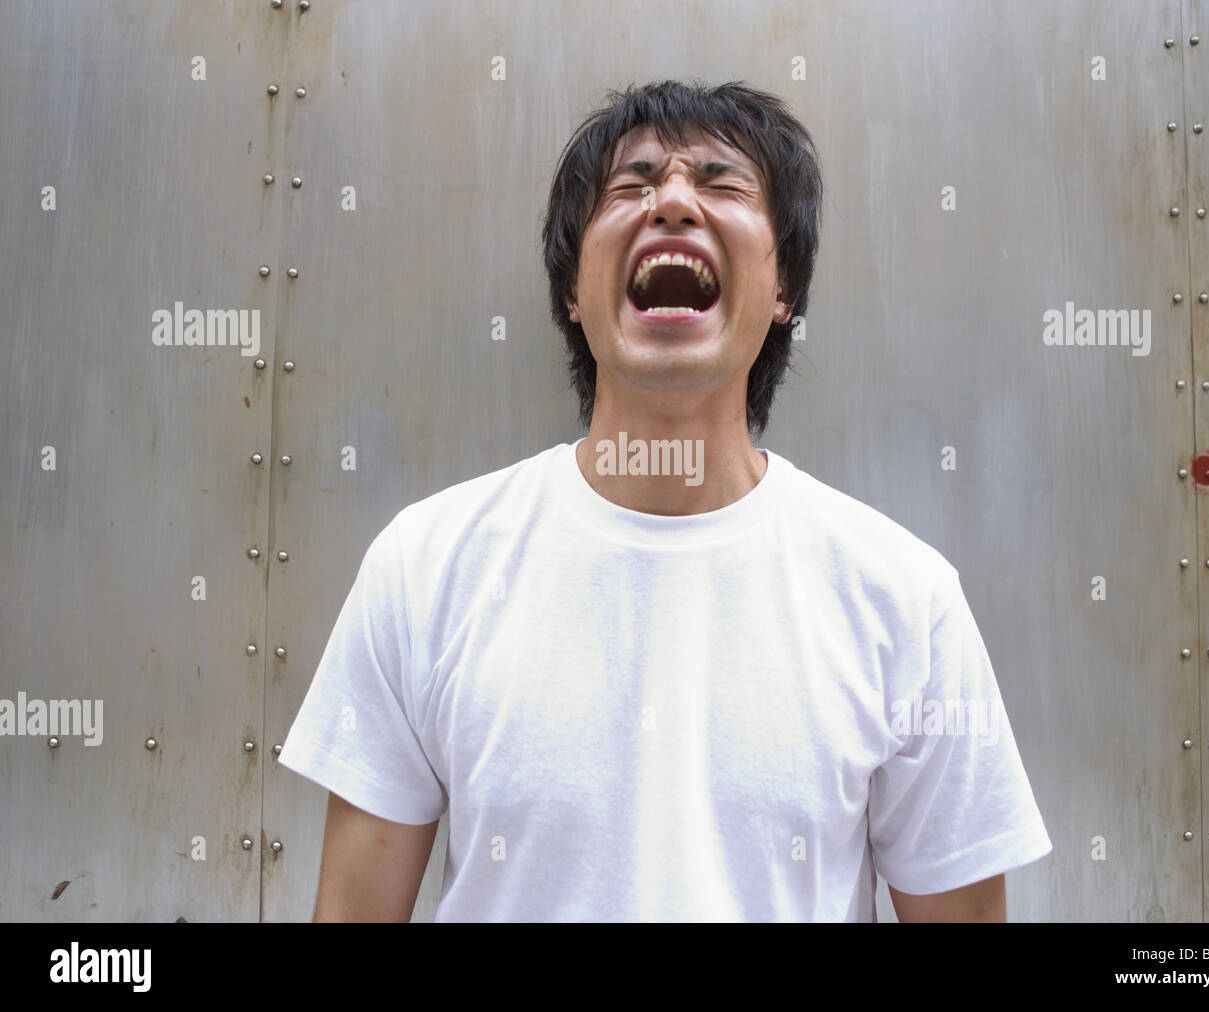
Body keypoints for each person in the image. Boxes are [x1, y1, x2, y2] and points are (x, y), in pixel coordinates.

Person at [278, 79, 1051, 922]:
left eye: (721, 185)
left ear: (784, 289)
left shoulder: (904, 598)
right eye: (632, 187)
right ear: (573, 294)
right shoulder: (425, 567)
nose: (673, 202)